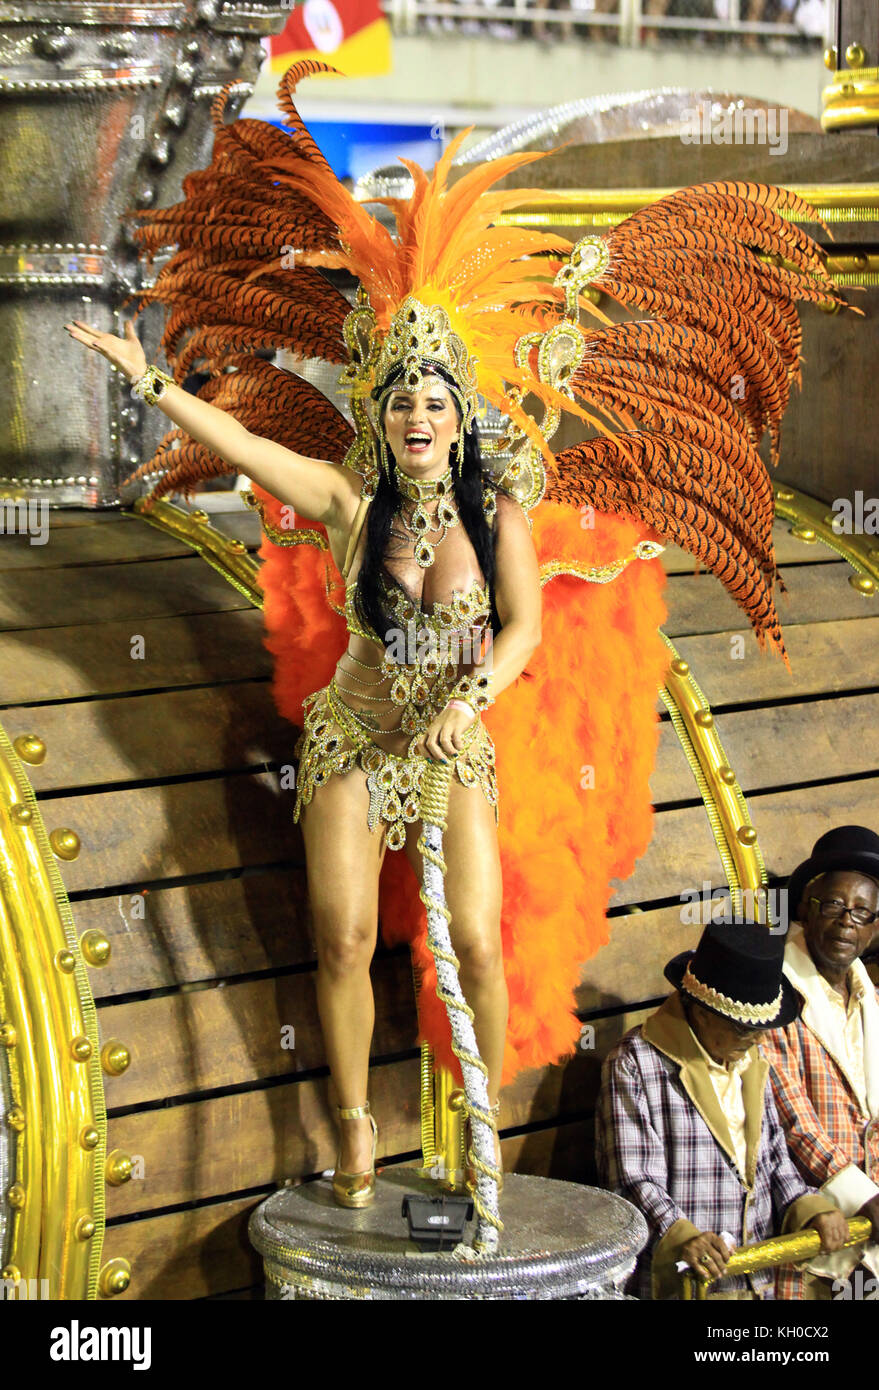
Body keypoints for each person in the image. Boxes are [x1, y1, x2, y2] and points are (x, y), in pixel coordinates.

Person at [63, 57, 852, 1218]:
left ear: (456, 413)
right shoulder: (345, 501)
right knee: (338, 943)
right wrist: (158, 389)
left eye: (435, 400)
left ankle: (477, 1110)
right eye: (400, 401)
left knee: (478, 944)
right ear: (380, 412)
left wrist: (468, 698)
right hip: (352, 737)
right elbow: (248, 453)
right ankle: (352, 1119)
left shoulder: (498, 512)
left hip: (453, 746)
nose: (419, 417)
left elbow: (525, 625)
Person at [596, 919, 847, 1298]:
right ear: (701, 1011)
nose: (758, 1039)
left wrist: (809, 1207)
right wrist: (682, 1236)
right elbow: (633, 1180)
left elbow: (775, 1163)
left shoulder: (753, 1059)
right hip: (683, 1286)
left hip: (758, 1281)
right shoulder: (635, 1064)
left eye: (762, 1028)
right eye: (744, 1030)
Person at [761, 825, 879, 1298]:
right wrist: (864, 1196)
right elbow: (793, 1120)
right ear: (807, 909)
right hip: (811, 1233)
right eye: (834, 905)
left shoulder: (871, 1000)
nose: (847, 922)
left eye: (863, 912)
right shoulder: (773, 996)